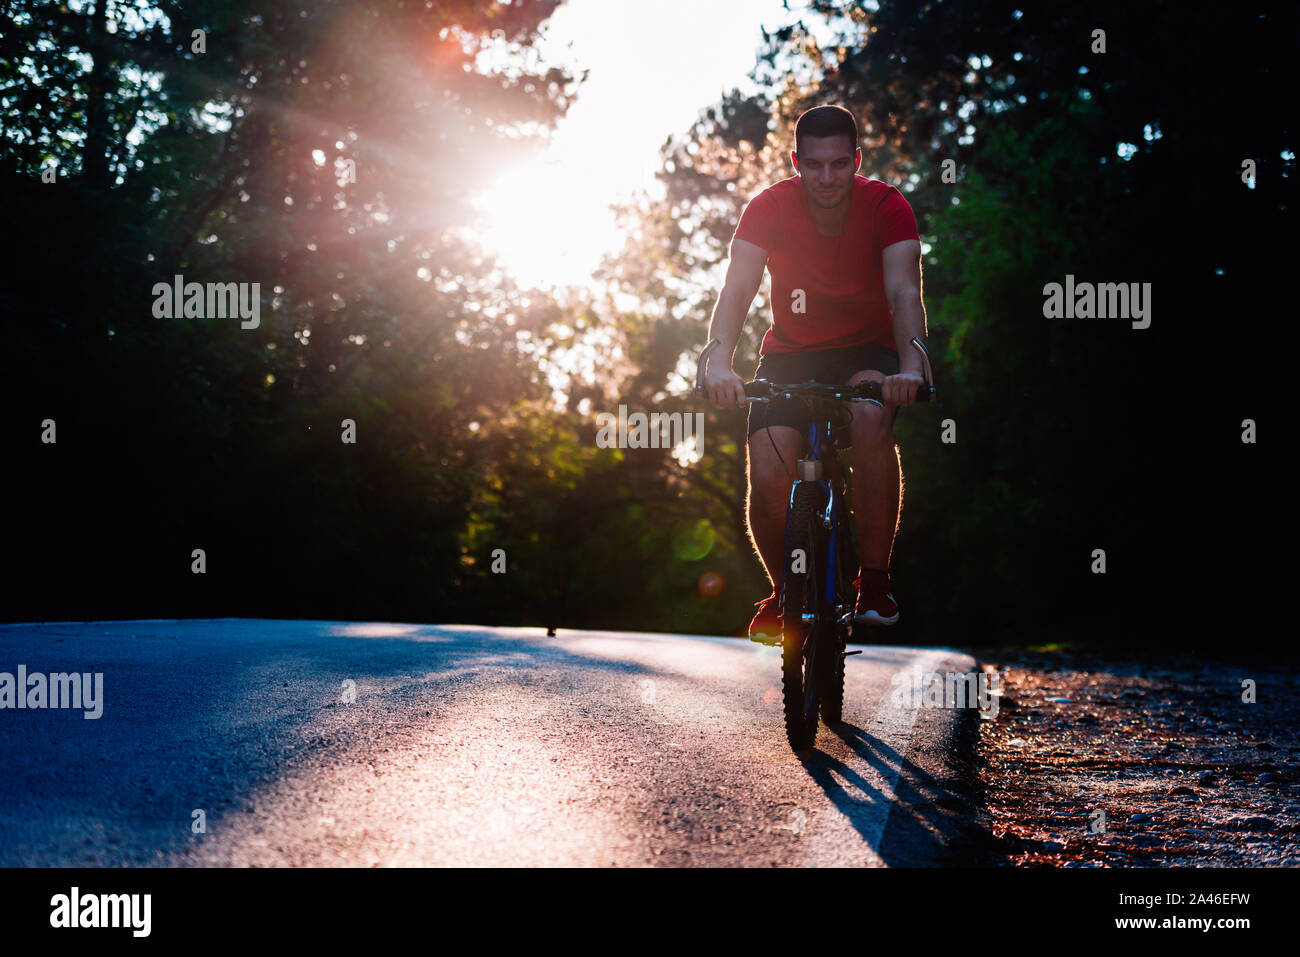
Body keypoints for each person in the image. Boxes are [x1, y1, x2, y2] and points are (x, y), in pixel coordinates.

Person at [698, 104, 928, 640]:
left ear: (857, 161)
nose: (827, 177)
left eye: (839, 164)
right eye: (815, 165)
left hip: (867, 348)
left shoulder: (887, 205)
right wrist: (716, 359)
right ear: (796, 161)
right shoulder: (768, 206)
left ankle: (872, 583)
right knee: (772, 469)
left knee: (871, 420)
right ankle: (785, 593)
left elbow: (904, 291)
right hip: (791, 353)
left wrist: (913, 364)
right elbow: (737, 289)